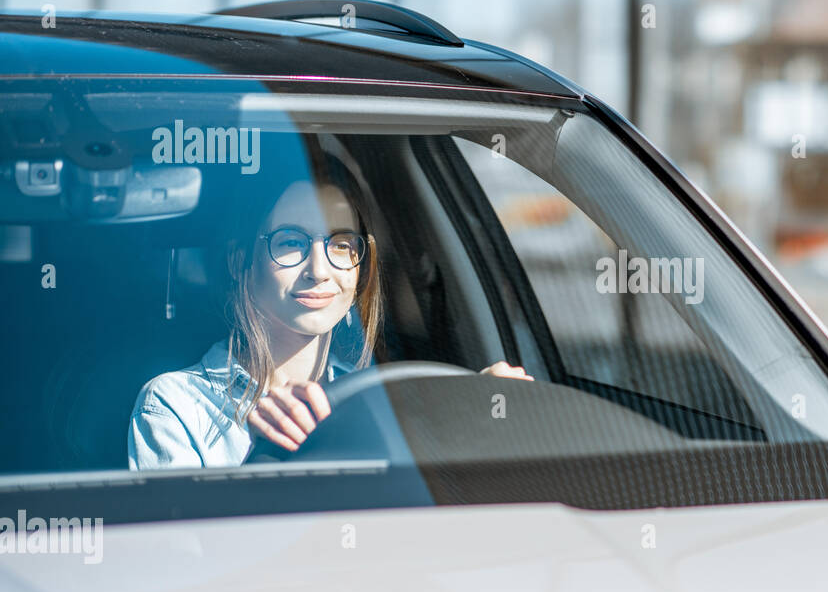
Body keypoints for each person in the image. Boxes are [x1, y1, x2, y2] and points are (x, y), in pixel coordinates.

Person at [128, 155, 530, 470]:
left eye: (340, 244)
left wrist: (469, 411)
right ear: (240, 262)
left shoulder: (379, 400)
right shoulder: (176, 406)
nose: (319, 271)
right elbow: (187, 565)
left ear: (361, 264)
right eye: (290, 242)